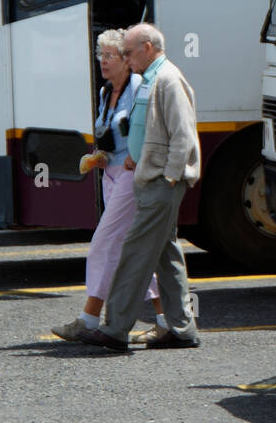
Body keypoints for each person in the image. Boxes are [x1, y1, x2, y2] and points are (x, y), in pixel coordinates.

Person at [77, 23, 202, 350]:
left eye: (128, 52)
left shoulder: (168, 80)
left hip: (160, 181)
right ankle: (181, 329)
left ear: (148, 47)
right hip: (151, 177)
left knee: (133, 252)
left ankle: (115, 328)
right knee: (165, 255)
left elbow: (183, 136)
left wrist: (171, 177)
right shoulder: (152, 80)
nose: (126, 59)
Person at [51, 30, 164, 341]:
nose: (103, 61)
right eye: (100, 55)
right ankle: (166, 318)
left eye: (110, 56)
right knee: (131, 247)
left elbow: (148, 129)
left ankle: (88, 318)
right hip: (110, 175)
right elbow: (109, 132)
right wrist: (100, 157)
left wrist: (137, 157)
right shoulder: (104, 93)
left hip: (131, 175)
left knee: (104, 243)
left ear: (126, 62)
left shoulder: (140, 88)